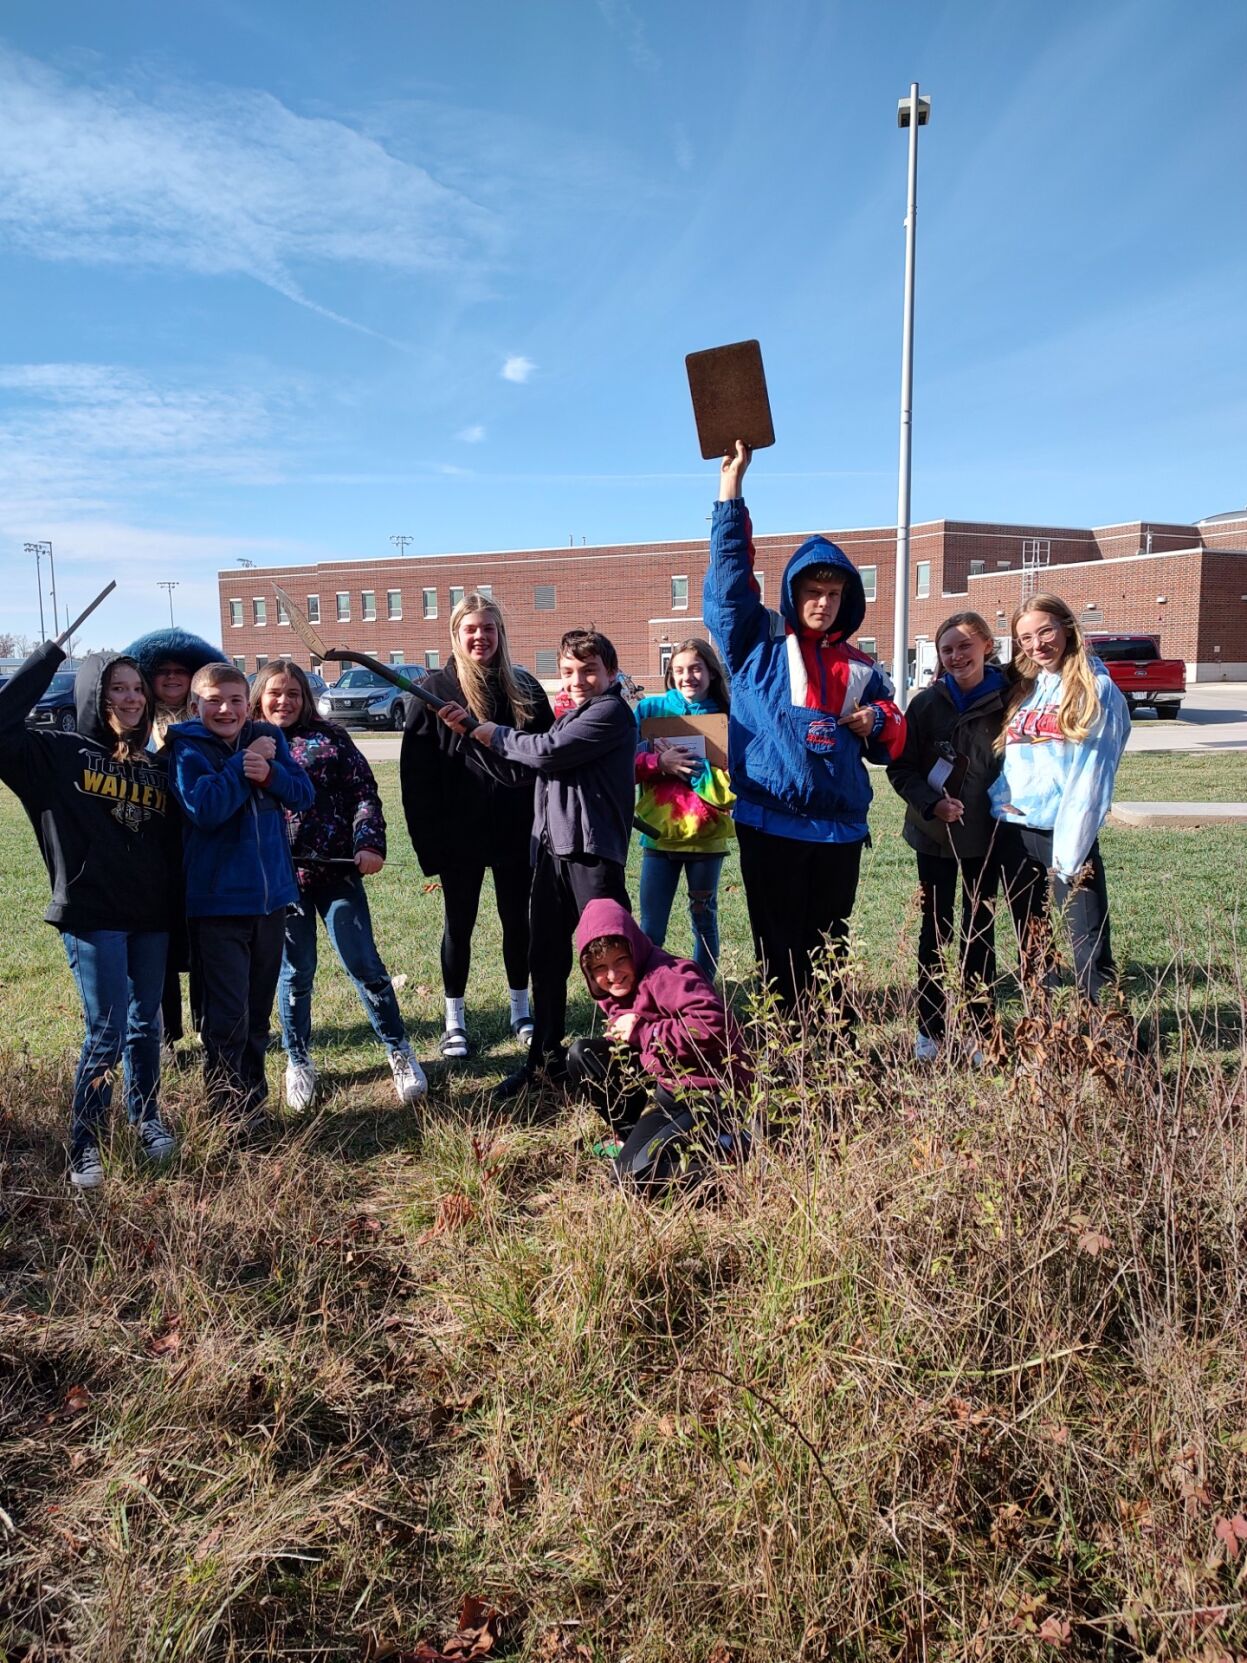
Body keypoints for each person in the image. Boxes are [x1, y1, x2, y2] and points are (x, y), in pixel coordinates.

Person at [704, 441, 906, 1019]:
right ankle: (785, 1056)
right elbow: (728, 585)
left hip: (840, 834)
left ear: (847, 599)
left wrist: (879, 721)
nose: (822, 602)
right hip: (770, 826)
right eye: (812, 592)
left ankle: (830, 1055)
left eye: (833, 593)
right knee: (780, 951)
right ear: (794, 595)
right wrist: (731, 493)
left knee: (829, 954)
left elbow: (895, 738)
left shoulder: (863, 667)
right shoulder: (754, 651)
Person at [0, 640, 180, 1188]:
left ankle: (145, 1117)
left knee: (146, 1023)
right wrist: (47, 660)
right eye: (116, 688)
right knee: (105, 1028)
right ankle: (85, 1142)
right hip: (91, 911)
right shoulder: (55, 754)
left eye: (136, 690)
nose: (129, 699)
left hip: (150, 914)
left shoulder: (155, 763)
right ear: (94, 694)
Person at [436, 627, 636, 1100]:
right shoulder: (571, 716)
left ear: (610, 672)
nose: (579, 680)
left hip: (591, 856)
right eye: (569, 672)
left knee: (612, 961)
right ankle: (544, 1062)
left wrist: (494, 731)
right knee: (544, 961)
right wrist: (469, 735)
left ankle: (634, 1057)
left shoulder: (610, 713)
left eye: (590, 670)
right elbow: (521, 771)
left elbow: (545, 752)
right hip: (550, 854)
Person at [251, 660, 427, 1110]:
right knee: (295, 975)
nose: (284, 701)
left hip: (336, 871)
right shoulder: (245, 742)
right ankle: (298, 1059)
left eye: (293, 693)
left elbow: (363, 792)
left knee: (365, 965)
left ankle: (398, 1050)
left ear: (305, 697)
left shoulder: (331, 738)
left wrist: (370, 843)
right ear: (259, 696)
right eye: (275, 692)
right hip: (279, 880)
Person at [401, 594, 553, 1059]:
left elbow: (547, 753)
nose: (480, 636)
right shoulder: (434, 689)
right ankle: (454, 1021)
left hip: (515, 830)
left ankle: (520, 1010)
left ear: (500, 633)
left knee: (517, 921)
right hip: (458, 834)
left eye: (489, 628)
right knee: (459, 924)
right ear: (456, 634)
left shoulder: (523, 688)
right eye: (471, 628)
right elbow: (416, 778)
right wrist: (430, 844)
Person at [166, 662, 314, 1134]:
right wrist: (241, 764)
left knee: (256, 1014)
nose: (225, 709)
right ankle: (227, 1116)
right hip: (218, 907)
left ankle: (253, 1105)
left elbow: (304, 793)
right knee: (226, 1018)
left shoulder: (269, 738)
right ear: (196, 706)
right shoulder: (187, 749)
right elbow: (204, 808)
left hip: (270, 903)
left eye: (234, 700)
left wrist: (269, 772)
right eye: (214, 701)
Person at [988, 593, 1130, 1005]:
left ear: (1067, 627)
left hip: (1065, 838)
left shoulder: (1096, 689)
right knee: (1032, 945)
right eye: (1026, 637)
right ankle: (1044, 1038)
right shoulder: (1028, 687)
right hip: (1014, 833)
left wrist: (1068, 859)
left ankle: (1119, 1054)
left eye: (1045, 630)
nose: (1037, 644)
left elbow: (1092, 780)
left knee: (1089, 949)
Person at [886, 611, 1008, 1062]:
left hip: (989, 836)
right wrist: (930, 803)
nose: (956, 656)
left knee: (980, 931)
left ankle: (980, 1028)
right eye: (947, 649)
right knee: (934, 931)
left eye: (965, 646)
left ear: (987, 647)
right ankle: (930, 1029)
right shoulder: (925, 704)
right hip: (934, 835)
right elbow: (901, 768)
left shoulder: (1010, 698)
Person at [569, 899, 749, 1189]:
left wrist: (645, 1032)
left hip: (711, 1093)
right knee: (583, 1054)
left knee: (628, 1176)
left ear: (634, 949)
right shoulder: (612, 992)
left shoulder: (670, 975)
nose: (612, 976)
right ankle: (631, 1136)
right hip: (670, 1086)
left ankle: (728, 1167)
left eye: (620, 960)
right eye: (600, 968)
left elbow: (715, 1025)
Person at [125, 627, 224, 1060]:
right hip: (152, 848)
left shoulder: (209, 720)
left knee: (205, 941)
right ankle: (163, 1033)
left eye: (179, 671)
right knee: (156, 943)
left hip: (202, 844)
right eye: (161, 670)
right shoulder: (133, 725)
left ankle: (210, 1026)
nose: (170, 678)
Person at [633, 639, 735, 978]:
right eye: (678, 670)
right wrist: (658, 762)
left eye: (695, 668)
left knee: (704, 919)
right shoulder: (649, 711)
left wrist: (694, 772)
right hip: (658, 838)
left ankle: (703, 991)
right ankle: (650, 991)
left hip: (706, 842)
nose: (687, 676)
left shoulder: (727, 716)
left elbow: (732, 787)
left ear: (710, 672)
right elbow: (623, 763)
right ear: (669, 675)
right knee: (651, 927)